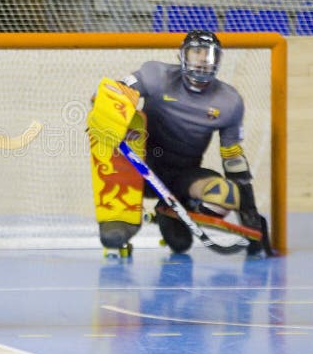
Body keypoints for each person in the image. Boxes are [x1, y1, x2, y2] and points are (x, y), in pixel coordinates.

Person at [92, 31, 271, 256]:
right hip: (138, 167)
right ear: (182, 55)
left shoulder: (229, 101)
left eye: (209, 55)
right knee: (113, 237)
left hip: (183, 175)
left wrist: (249, 213)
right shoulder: (156, 75)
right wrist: (107, 113)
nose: (202, 61)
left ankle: (172, 211)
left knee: (224, 198)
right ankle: (124, 217)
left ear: (218, 60)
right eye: (196, 53)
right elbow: (116, 90)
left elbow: (233, 156)